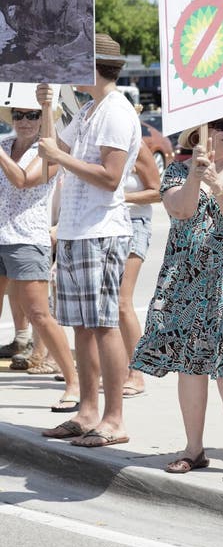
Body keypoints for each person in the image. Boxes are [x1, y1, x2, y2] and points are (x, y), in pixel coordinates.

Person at [131, 106, 223, 482]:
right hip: (188, 283)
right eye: (221, 124)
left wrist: (218, 184)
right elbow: (181, 209)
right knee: (190, 365)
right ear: (197, 134)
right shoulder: (176, 171)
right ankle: (194, 448)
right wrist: (197, 174)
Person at [36, 33, 141, 447]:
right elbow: (51, 151)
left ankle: (114, 418)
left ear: (93, 65)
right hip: (79, 230)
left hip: (103, 230)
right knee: (82, 325)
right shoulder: (89, 109)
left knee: (104, 325)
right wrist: (47, 108)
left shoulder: (116, 110)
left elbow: (111, 177)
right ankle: (87, 410)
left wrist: (61, 158)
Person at [0, 94, 80, 411]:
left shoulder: (49, 153)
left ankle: (73, 382)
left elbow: (22, 180)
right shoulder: (6, 144)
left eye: (32, 115)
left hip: (27, 238)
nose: (24, 121)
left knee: (39, 315)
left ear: (42, 118)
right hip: (1, 234)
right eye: (18, 114)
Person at [120, 137, 161, 396]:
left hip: (134, 224)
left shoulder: (137, 147)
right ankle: (116, 368)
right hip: (105, 226)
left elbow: (158, 191)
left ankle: (137, 373)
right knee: (104, 305)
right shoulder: (99, 145)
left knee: (122, 301)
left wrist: (120, 197)